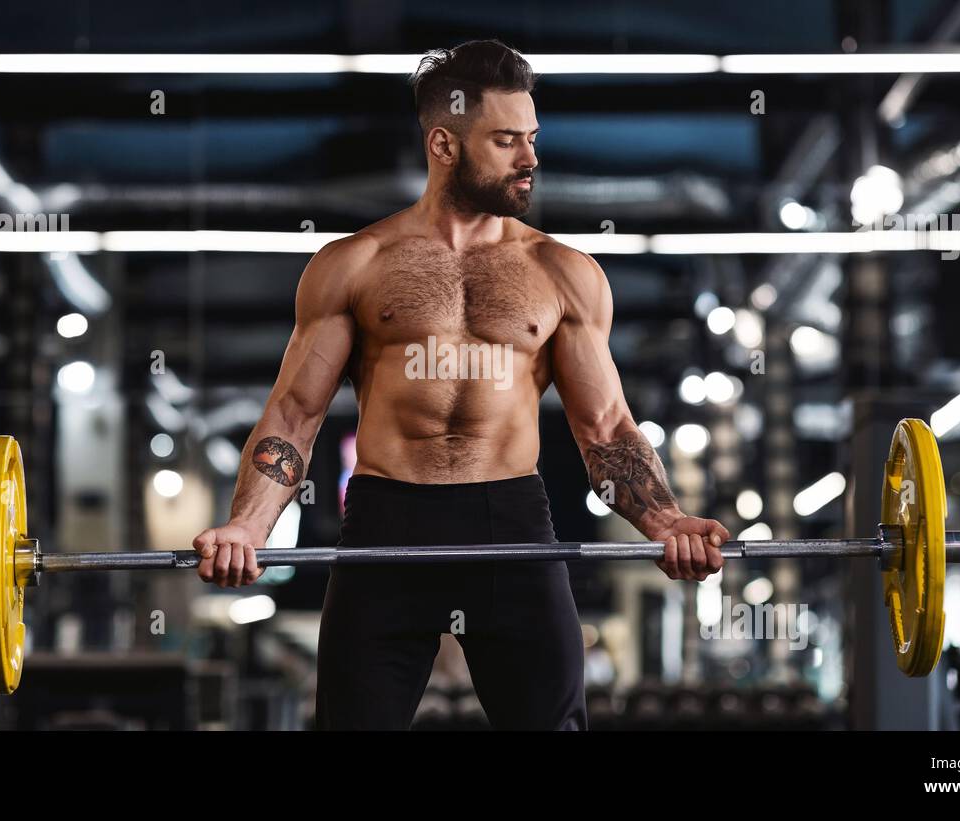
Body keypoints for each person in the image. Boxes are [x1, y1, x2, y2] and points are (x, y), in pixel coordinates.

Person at [192, 39, 728, 730]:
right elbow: (295, 414)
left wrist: (665, 520)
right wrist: (248, 526)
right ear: (444, 144)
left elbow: (605, 429)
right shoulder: (353, 264)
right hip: (387, 526)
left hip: (511, 523)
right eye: (506, 141)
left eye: (532, 138)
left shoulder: (564, 274)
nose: (530, 158)